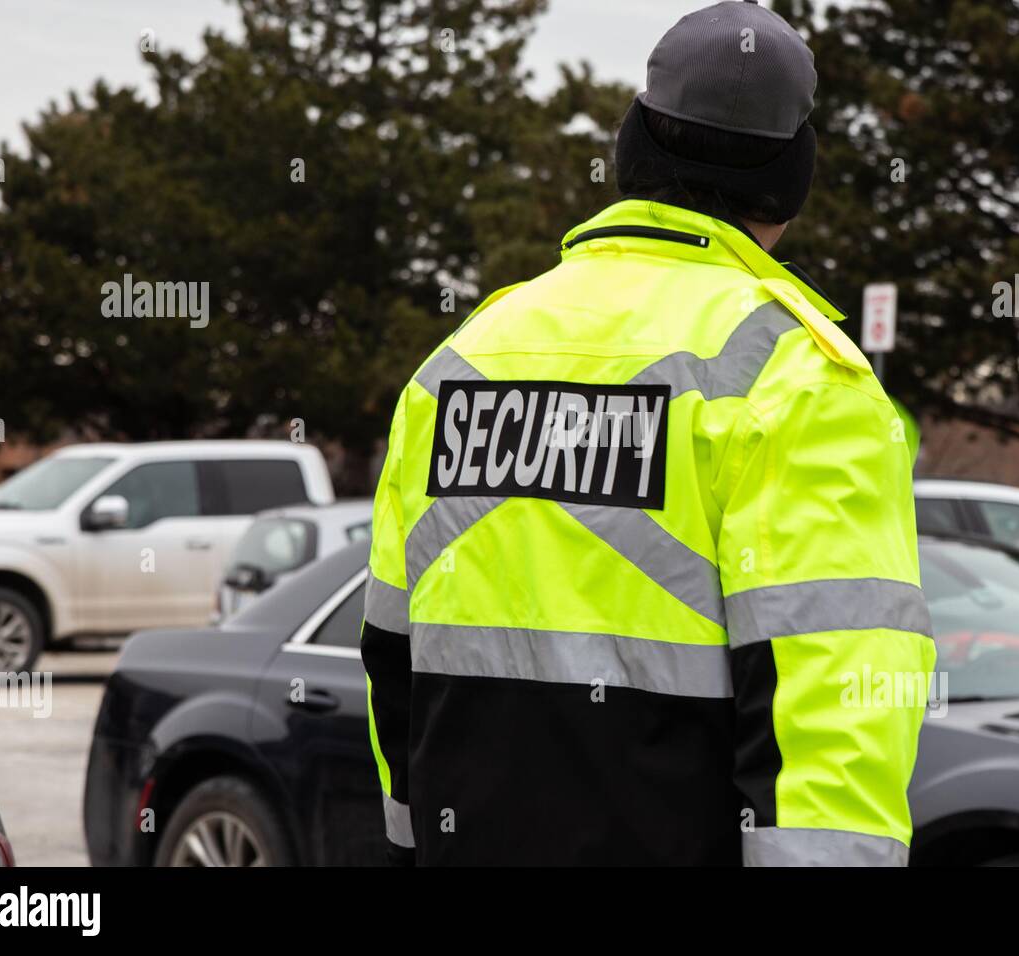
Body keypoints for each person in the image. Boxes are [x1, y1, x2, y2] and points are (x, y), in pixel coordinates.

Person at [361, 0, 935, 866]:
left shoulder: (463, 358)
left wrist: (412, 843)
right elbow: (835, 706)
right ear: (792, 178)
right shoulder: (798, 374)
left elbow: (391, 651)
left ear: (631, 147)